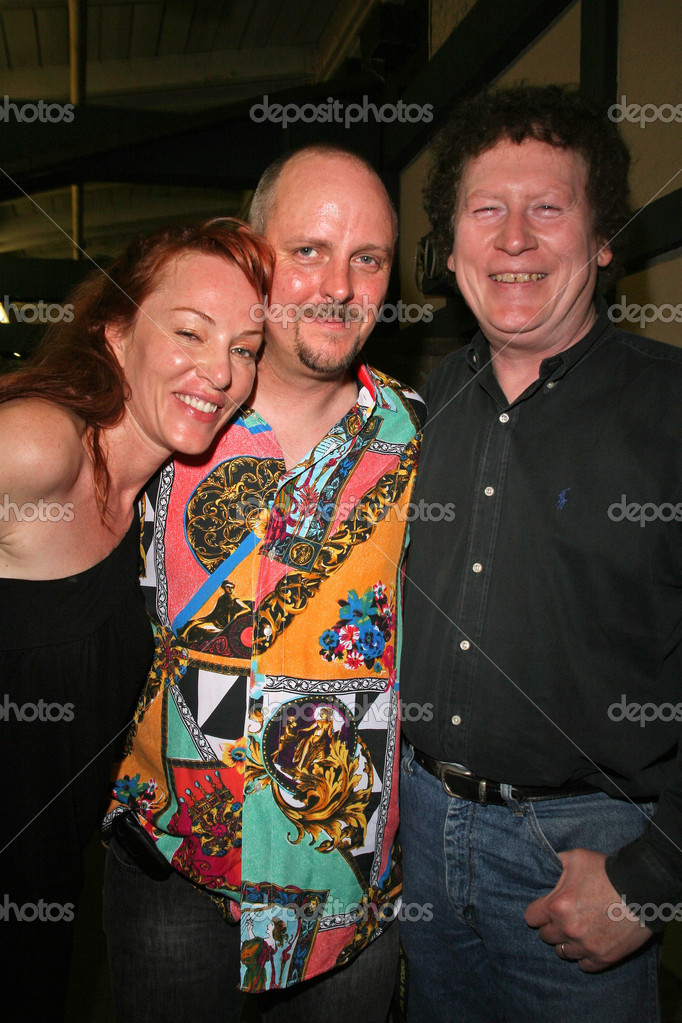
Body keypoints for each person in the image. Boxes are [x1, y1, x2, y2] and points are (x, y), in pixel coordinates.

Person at [104, 144, 425, 1022]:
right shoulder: (169, 417)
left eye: (369, 258)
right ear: (254, 254)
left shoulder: (426, 442)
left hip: (344, 899)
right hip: (174, 866)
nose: (340, 284)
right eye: (310, 250)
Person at [399, 84, 682, 1022]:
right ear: (450, 248)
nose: (514, 238)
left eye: (548, 208)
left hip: (585, 857)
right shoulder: (423, 405)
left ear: (604, 242)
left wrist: (655, 878)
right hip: (420, 833)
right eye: (487, 210)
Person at [0, 217, 272, 1018]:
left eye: (246, 347)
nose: (220, 371)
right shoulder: (42, 448)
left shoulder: (152, 501)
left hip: (45, 887)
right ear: (116, 333)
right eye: (190, 330)